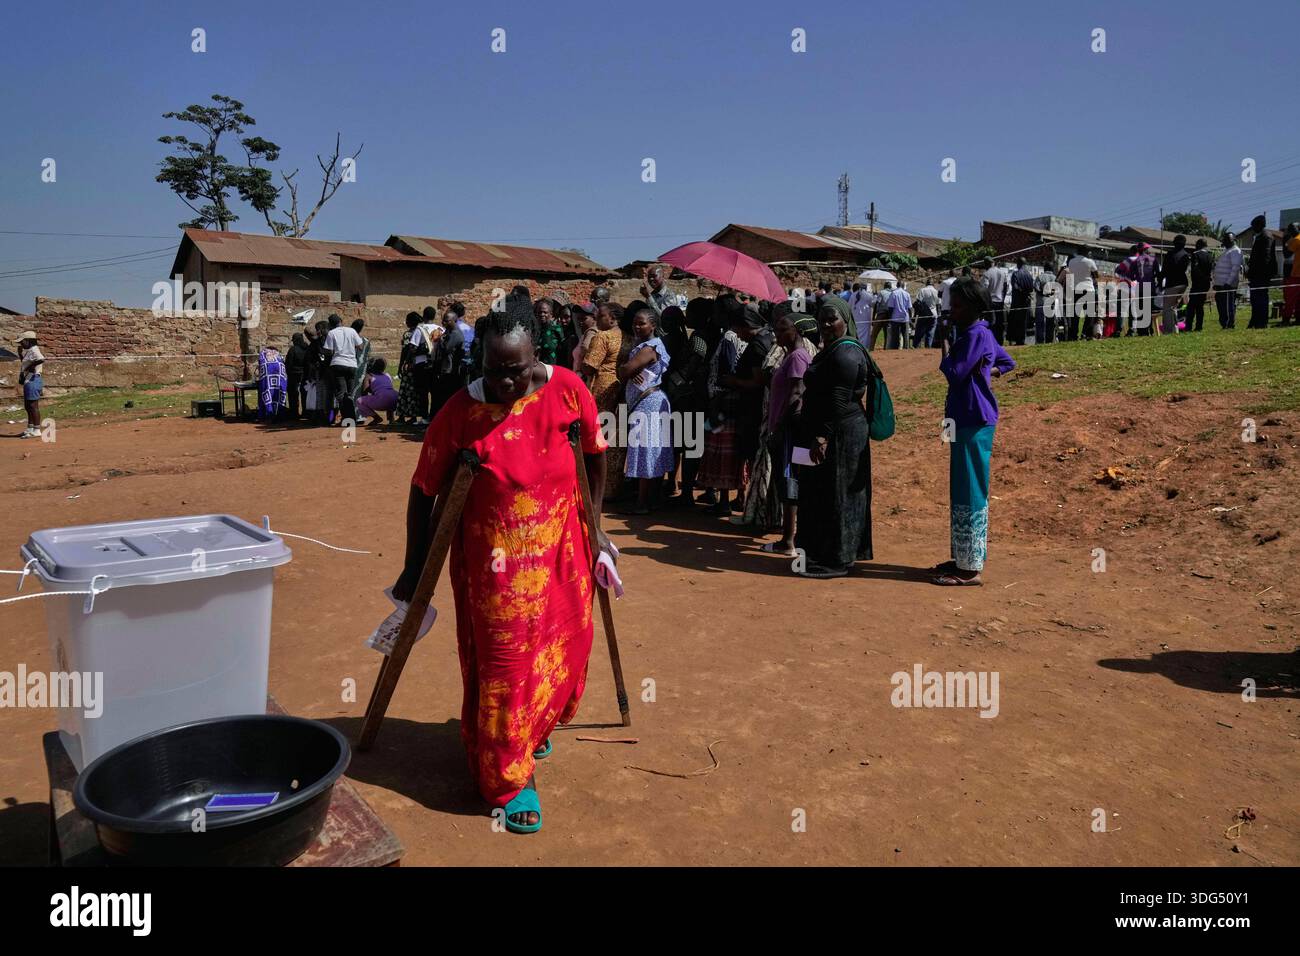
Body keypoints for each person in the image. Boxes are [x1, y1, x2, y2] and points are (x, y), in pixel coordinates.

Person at [393, 298, 611, 834]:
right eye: (493, 371)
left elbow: (595, 453)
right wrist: (412, 565)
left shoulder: (567, 389)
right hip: (496, 567)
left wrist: (596, 524)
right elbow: (423, 491)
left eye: (516, 370)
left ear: (537, 354)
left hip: (562, 546)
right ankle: (510, 777)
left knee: (569, 645)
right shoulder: (460, 412)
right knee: (505, 669)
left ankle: (531, 726)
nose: (505, 382)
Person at [932, 277, 1016, 587]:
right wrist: (986, 371)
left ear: (972, 307)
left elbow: (953, 374)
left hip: (972, 418)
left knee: (970, 489)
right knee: (962, 489)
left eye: (956, 305)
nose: (950, 311)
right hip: (962, 419)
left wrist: (943, 343)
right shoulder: (980, 334)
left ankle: (969, 568)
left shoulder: (973, 336)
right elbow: (1007, 363)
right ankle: (962, 557)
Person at [794, 295, 872, 578]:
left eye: (833, 319)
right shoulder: (832, 349)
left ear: (846, 321)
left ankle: (837, 559)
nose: (826, 324)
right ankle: (829, 553)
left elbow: (839, 399)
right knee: (824, 494)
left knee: (838, 494)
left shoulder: (845, 353)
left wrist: (822, 436)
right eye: (823, 319)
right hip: (830, 431)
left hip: (840, 434)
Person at [760, 307, 813, 555]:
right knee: (787, 481)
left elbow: (796, 393)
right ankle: (790, 538)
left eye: (783, 330)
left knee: (789, 481)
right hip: (785, 428)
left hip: (788, 430)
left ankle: (788, 541)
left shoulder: (797, 357)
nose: (777, 335)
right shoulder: (790, 355)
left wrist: (780, 427)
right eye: (776, 330)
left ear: (797, 331)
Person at [696, 297, 750, 514]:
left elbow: (727, 370)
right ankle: (739, 497)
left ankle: (724, 501)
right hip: (736, 400)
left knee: (722, 450)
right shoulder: (740, 336)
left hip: (723, 401)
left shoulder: (728, 336)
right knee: (734, 449)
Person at [618, 307, 673, 514]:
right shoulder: (646, 345)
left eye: (642, 323)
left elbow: (625, 370)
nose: (637, 326)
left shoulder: (649, 348)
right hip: (649, 402)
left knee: (645, 451)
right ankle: (653, 499)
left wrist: (628, 370)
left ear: (653, 325)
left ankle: (642, 503)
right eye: (635, 323)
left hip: (648, 404)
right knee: (652, 450)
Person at [581, 301, 628, 496]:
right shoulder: (628, 337)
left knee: (597, 436)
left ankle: (596, 489)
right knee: (616, 438)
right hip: (622, 387)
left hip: (601, 387)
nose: (597, 320)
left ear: (613, 319)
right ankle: (613, 487)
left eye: (601, 316)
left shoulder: (602, 337)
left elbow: (589, 366)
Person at [323, 314, 364, 425]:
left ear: (331, 325)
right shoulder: (351, 331)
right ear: (341, 321)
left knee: (341, 393)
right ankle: (352, 417)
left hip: (338, 364)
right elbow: (360, 346)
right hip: (352, 365)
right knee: (349, 394)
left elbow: (329, 352)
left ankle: (347, 418)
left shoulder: (331, 333)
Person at [430, 304, 465, 418]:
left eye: (446, 321)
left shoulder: (455, 334)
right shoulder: (449, 333)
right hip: (445, 369)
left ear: (454, 321)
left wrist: (439, 339)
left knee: (447, 396)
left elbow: (446, 349)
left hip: (451, 371)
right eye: (443, 321)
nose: (443, 323)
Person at [410, 307, 442, 425]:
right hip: (435, 364)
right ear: (434, 316)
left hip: (421, 363)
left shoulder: (420, 329)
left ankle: (424, 417)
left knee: (422, 392)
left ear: (423, 316)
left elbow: (413, 348)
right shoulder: (440, 329)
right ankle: (434, 416)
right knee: (434, 392)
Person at [1058, 251, 1099, 341]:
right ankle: (1084, 334)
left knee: (1074, 316)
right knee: (1089, 314)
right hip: (1086, 290)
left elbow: (1058, 281)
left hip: (1073, 293)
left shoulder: (1069, 267)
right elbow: (1097, 275)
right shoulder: (1089, 263)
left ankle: (1073, 336)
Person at [1246, 215, 1277, 329]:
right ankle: (1254, 320)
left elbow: (1266, 257)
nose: (1252, 227)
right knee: (1255, 298)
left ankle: (1262, 322)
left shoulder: (1266, 236)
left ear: (1260, 224)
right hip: (1255, 273)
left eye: (1254, 225)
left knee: (1261, 298)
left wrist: (1262, 273)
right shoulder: (1259, 236)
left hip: (1261, 274)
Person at [1158, 235, 1190, 335]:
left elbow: (1165, 270)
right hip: (1183, 284)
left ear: (1174, 243)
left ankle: (1168, 331)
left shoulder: (1170, 254)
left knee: (1167, 308)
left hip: (1172, 284)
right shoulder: (1186, 254)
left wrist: (1160, 282)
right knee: (1174, 307)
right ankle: (1175, 328)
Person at [395, 312, 422, 424]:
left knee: (405, 391)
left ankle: (402, 416)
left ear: (410, 322)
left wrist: (401, 365)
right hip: (417, 365)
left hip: (408, 366)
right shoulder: (421, 332)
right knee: (414, 391)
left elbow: (406, 350)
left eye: (407, 320)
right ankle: (414, 416)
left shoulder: (408, 334)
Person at [1212, 232, 1244, 328]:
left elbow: (1235, 268)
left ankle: (1229, 324)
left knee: (1227, 306)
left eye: (1228, 239)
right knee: (1221, 305)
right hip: (1220, 284)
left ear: (1234, 240)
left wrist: (1228, 283)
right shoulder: (1227, 250)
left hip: (1227, 284)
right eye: (1224, 239)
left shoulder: (1235, 251)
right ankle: (1224, 323)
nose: (1225, 241)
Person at [355, 357, 398, 425]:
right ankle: (391, 419)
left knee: (359, 401)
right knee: (388, 396)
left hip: (382, 401)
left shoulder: (369, 376)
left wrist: (373, 392)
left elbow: (364, 393)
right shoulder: (387, 375)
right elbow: (387, 389)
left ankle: (377, 418)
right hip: (396, 399)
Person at [17, 331, 44, 439]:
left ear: (28, 341)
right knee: (28, 406)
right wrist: (20, 354)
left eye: (22, 342)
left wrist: (29, 368)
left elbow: (41, 359)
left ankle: (37, 429)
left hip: (33, 379)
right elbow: (25, 363)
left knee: (33, 406)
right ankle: (30, 428)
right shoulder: (29, 351)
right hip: (29, 380)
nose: (21, 344)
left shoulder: (34, 349)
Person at [1187, 238, 1215, 332]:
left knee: (1191, 306)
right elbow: (1211, 269)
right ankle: (1199, 326)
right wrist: (1207, 278)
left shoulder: (1195, 255)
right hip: (1206, 284)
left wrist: (1202, 277)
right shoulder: (1209, 256)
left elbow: (1195, 269)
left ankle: (1188, 326)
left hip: (1197, 283)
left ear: (1198, 245)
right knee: (1200, 306)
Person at [980, 259, 1009, 344]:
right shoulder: (1002, 272)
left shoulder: (986, 274)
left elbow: (984, 290)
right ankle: (1000, 341)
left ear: (986, 264)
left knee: (991, 323)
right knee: (1000, 323)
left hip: (991, 302)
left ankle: (991, 342)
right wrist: (1003, 298)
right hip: (1000, 301)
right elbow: (1005, 286)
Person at [1008, 258, 1034, 346]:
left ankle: (1016, 340)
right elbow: (1031, 288)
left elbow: (1015, 287)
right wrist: (1026, 293)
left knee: (1015, 321)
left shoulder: (1015, 274)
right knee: (1023, 321)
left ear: (1018, 264)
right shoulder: (1029, 275)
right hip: (1026, 301)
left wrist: (1021, 291)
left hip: (1017, 301)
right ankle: (1022, 340)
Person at [285, 332, 310, 419]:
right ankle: (306, 412)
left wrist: (288, 372)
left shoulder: (293, 349)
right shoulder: (307, 348)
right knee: (305, 393)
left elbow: (289, 364)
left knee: (293, 393)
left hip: (294, 374)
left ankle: (294, 413)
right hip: (306, 374)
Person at [534, 298, 565, 365]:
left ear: (551, 314)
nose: (542, 314)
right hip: (538, 370)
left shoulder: (557, 329)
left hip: (554, 369)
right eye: (539, 312)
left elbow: (564, 351)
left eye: (545, 312)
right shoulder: (535, 331)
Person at [348, 319, 372, 408]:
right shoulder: (366, 341)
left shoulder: (349, 339)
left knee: (350, 391)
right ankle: (360, 414)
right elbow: (368, 356)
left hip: (351, 366)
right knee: (359, 391)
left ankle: (351, 414)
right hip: (362, 368)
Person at [883, 280, 912, 350]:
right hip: (905, 318)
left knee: (895, 336)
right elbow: (910, 308)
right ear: (903, 286)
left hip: (895, 318)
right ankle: (906, 349)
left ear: (897, 285)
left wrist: (889, 318)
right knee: (905, 336)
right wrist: (910, 318)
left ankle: (895, 351)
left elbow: (890, 307)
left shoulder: (893, 293)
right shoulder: (907, 294)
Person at [913, 277, 941, 348]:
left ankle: (916, 347)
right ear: (933, 284)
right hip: (933, 314)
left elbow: (918, 303)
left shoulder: (922, 290)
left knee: (919, 332)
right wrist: (938, 316)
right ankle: (928, 348)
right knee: (930, 333)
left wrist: (915, 315)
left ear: (926, 283)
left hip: (923, 314)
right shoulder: (936, 291)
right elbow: (938, 305)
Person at [1283, 222, 1300, 325]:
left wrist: (1285, 242)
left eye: (1292, 229)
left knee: (1290, 298)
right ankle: (1298, 318)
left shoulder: (1296, 240)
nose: (1290, 231)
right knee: (1298, 299)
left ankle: (1286, 319)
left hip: (1296, 274)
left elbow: (1286, 254)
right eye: (1289, 229)